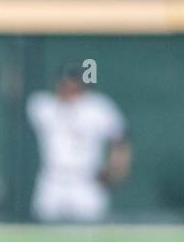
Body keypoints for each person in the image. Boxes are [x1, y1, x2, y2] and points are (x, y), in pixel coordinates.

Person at [27, 65, 131, 222]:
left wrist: (114, 172)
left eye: (72, 85)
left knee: (90, 237)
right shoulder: (43, 106)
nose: (67, 89)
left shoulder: (96, 107)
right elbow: (14, 88)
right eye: (63, 84)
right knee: (44, 234)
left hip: (86, 181)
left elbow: (121, 140)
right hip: (52, 180)